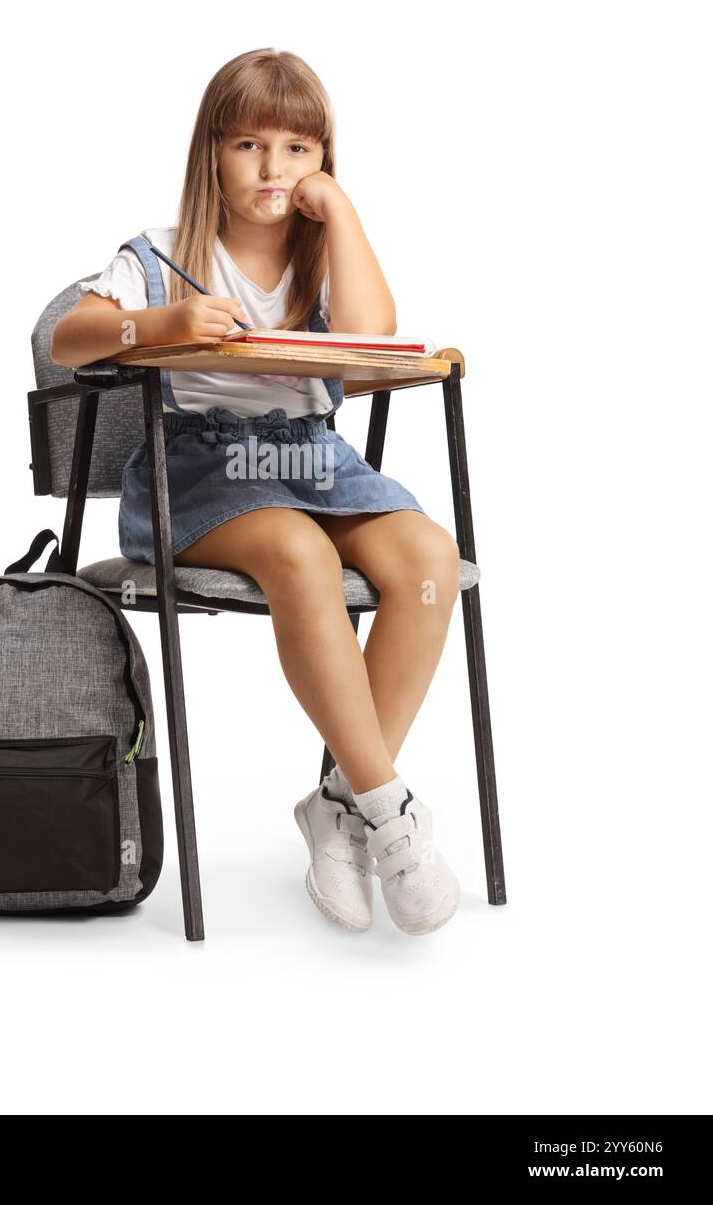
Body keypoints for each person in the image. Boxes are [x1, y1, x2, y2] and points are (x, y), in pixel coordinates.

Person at [51, 48, 462, 937]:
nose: (275, 170)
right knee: (296, 551)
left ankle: (338, 803)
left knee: (429, 556)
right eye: (249, 146)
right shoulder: (160, 257)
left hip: (312, 461)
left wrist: (342, 213)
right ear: (212, 155)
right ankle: (390, 813)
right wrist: (157, 323)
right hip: (200, 473)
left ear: (323, 162)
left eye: (298, 150)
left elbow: (368, 337)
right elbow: (67, 339)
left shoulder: (320, 255)